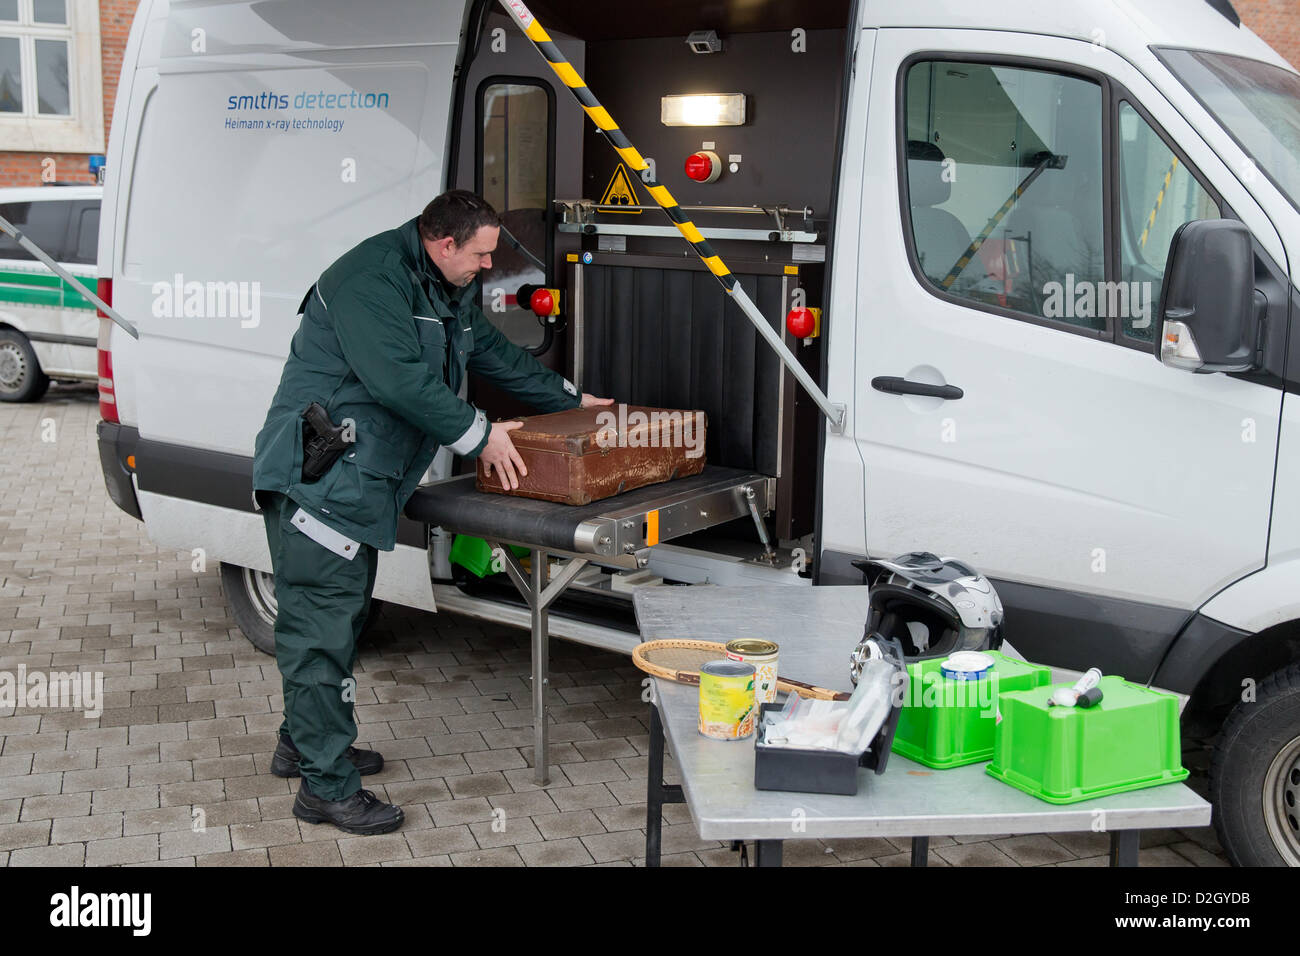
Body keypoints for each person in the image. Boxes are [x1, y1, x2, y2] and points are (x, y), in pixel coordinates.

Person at [251, 190, 612, 835]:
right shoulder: (370, 279)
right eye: (480, 255)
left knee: (342, 620)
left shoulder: (442, 284)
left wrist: (571, 398)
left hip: (360, 486)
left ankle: (304, 745)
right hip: (320, 480)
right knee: (320, 633)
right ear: (443, 243)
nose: (487, 267)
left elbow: (492, 354)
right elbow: (397, 379)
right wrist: (480, 435)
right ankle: (325, 789)